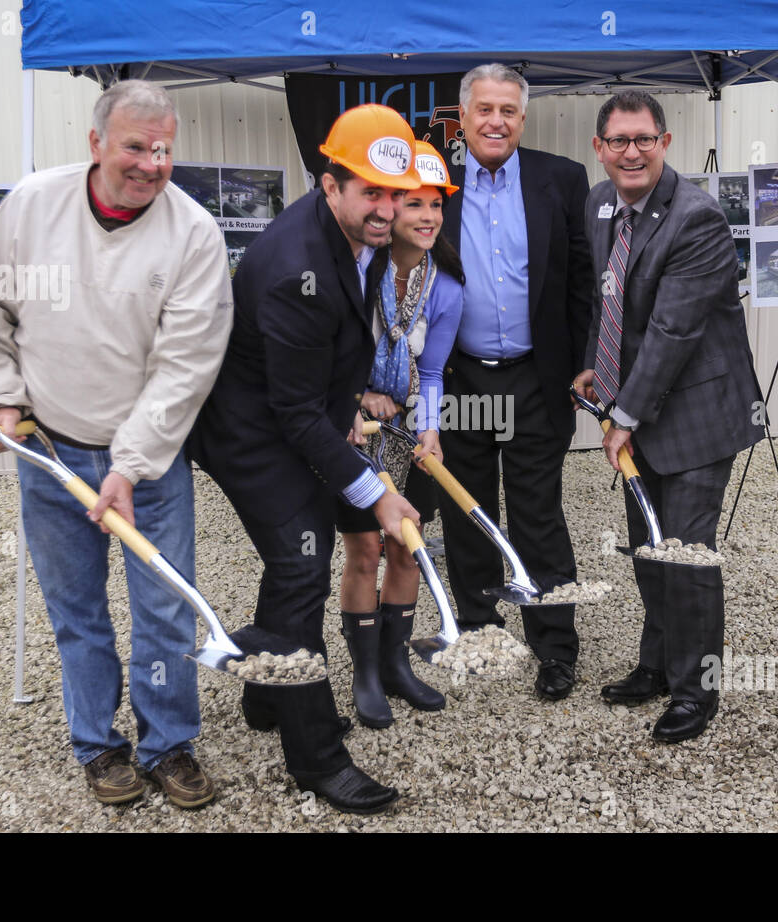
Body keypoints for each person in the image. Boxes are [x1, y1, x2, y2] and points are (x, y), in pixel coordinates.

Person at [0, 80, 231, 808]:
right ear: (95, 144)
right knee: (76, 608)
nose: (151, 163)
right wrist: (2, 398)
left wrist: (130, 465)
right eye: (135, 147)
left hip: (149, 458)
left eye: (165, 148)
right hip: (50, 448)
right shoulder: (32, 209)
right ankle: (98, 745)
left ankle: (169, 744)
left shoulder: (193, 235)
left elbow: (185, 368)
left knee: (166, 607)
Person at [188, 104, 421, 814]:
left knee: (294, 559)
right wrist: (377, 492)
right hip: (249, 434)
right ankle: (317, 758)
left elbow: (321, 368)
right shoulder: (295, 268)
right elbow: (289, 412)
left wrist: (344, 404)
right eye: (370, 192)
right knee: (300, 564)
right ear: (330, 185)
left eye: (395, 192)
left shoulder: (358, 237)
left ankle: (266, 700)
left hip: (297, 416)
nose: (386, 209)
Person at [571, 91, 765, 742]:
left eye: (644, 139)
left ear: (665, 143)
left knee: (685, 554)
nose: (632, 152)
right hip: (640, 408)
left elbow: (672, 331)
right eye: (618, 141)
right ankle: (656, 665)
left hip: (698, 413)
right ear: (598, 148)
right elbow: (610, 300)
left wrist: (623, 413)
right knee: (649, 549)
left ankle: (696, 692)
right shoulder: (601, 205)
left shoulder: (698, 219)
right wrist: (596, 367)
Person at [438, 63, 593, 701]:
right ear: (463, 116)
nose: (496, 121)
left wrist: (585, 362)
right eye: (484, 109)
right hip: (459, 378)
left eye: (508, 110)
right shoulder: (432, 179)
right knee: (466, 510)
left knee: (537, 514)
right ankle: (478, 628)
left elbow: (583, 279)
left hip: (536, 378)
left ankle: (553, 645)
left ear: (522, 118)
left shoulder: (561, 178)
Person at [336, 140, 465, 728]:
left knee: (408, 548)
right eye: (414, 203)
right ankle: (364, 671)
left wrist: (432, 430)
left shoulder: (448, 287)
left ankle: (397, 664)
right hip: (355, 429)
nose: (427, 217)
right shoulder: (359, 267)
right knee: (364, 548)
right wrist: (358, 397)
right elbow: (333, 352)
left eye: (435, 205)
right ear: (389, 206)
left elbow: (433, 370)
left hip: (409, 431)